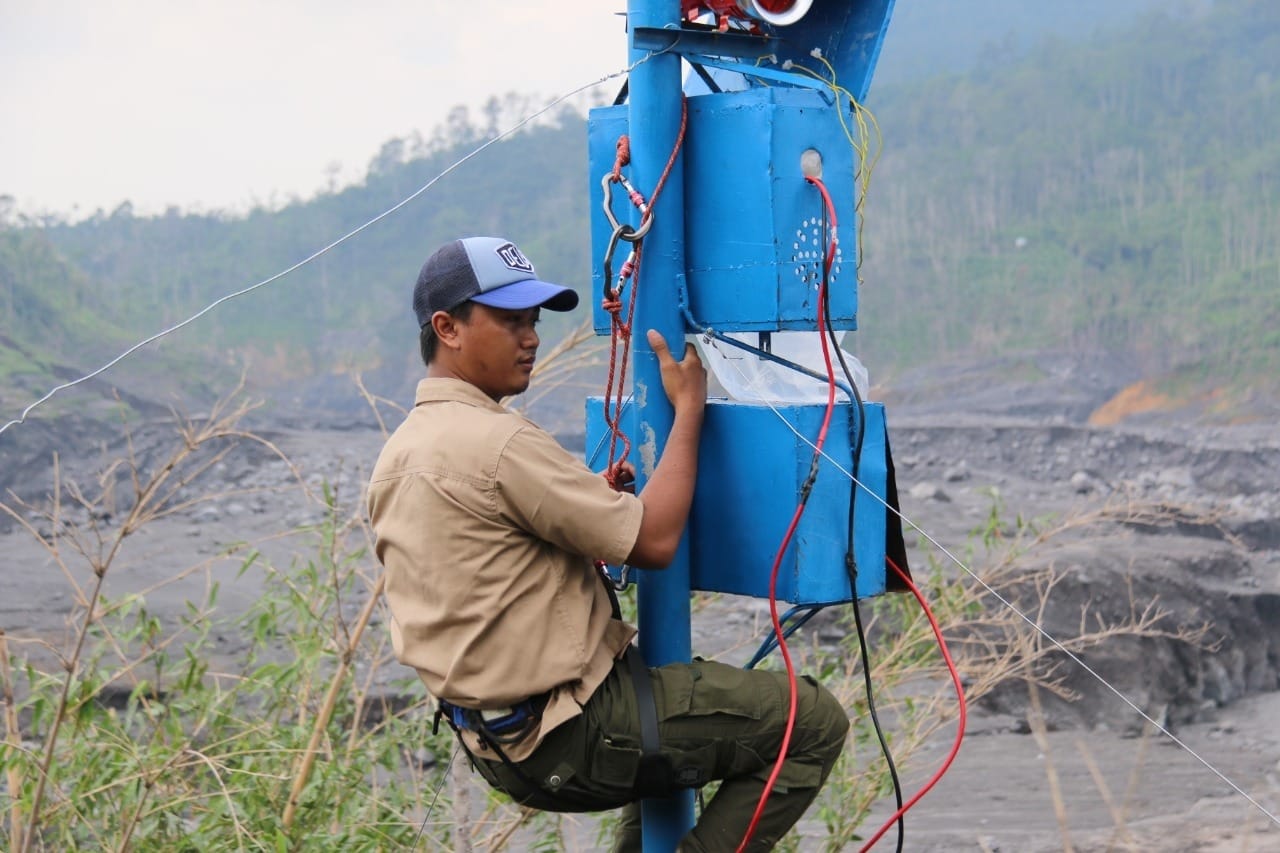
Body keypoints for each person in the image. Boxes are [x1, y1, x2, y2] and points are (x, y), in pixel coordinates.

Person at [367, 236, 849, 852]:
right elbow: (653, 540)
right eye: (510, 320)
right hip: (572, 732)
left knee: (666, 768)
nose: (531, 337)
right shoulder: (497, 443)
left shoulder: (403, 451)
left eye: (533, 320)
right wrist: (690, 412)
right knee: (809, 722)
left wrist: (585, 506)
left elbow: (483, 557)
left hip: (495, 742)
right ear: (447, 328)